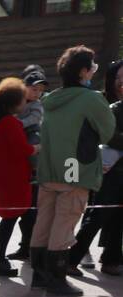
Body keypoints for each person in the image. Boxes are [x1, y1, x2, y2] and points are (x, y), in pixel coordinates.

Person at [30, 46, 116, 296]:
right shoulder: (91, 99)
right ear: (83, 72)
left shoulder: (50, 98)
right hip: (76, 169)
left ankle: (39, 275)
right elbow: (107, 131)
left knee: (44, 220)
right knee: (65, 223)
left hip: (49, 169)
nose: (93, 71)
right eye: (92, 67)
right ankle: (56, 278)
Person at [68, 59, 123, 276]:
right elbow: (107, 135)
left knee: (119, 218)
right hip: (110, 172)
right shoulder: (113, 109)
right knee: (97, 216)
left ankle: (111, 259)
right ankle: (73, 258)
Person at [0, 78, 35, 278]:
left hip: (5, 179)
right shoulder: (10, 122)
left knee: (22, 218)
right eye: (23, 99)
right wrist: (36, 148)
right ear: (14, 102)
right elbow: (22, 149)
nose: (25, 102)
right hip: (15, 181)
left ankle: (17, 253)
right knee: (13, 218)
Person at [9, 67, 49, 260]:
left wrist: (16, 124)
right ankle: (25, 247)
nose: (37, 93)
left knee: (31, 213)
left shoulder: (37, 106)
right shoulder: (15, 102)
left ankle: (31, 248)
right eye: (33, 89)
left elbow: (34, 119)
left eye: (40, 90)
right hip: (16, 163)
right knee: (19, 213)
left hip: (31, 142)